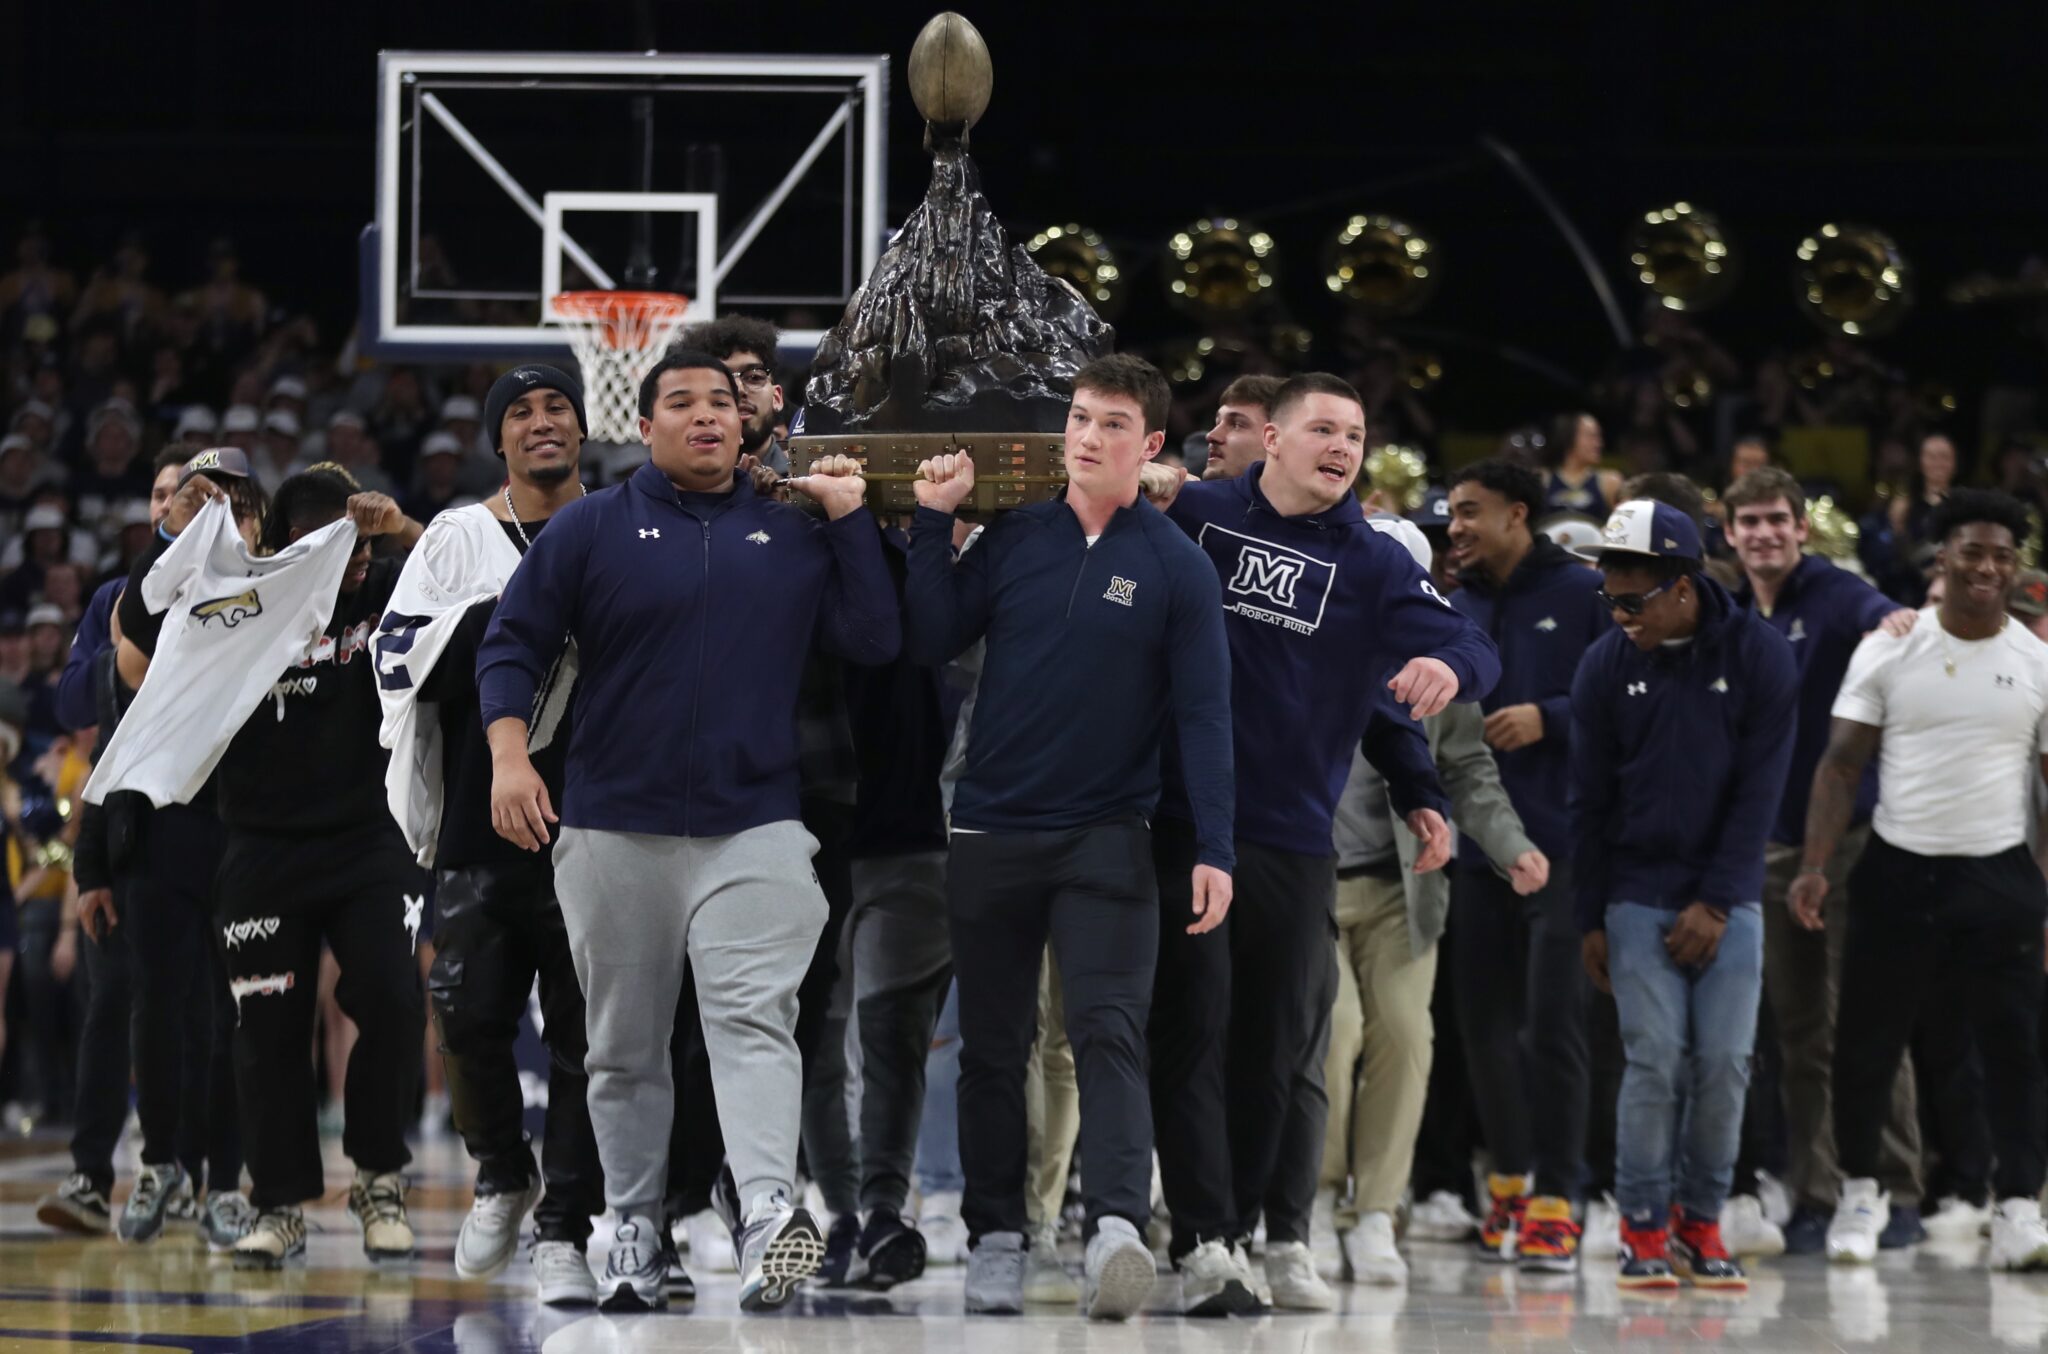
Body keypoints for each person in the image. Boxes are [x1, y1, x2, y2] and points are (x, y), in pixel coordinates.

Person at [476, 350, 898, 1313]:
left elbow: (874, 639)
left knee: (753, 1023)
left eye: (721, 402)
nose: (706, 415)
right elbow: (511, 644)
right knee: (622, 1045)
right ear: (645, 422)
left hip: (755, 826)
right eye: (682, 402)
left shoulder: (792, 529)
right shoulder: (590, 526)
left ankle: (763, 1215)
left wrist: (848, 519)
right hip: (610, 827)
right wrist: (510, 757)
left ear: (743, 425)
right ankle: (631, 1224)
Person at [1149, 372, 1499, 1313]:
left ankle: (1264, 1230)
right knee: (1192, 1031)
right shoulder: (1196, 517)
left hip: (1295, 834)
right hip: (1181, 822)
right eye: (1323, 429)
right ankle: (1202, 1238)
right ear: (1272, 438)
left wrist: (1440, 673)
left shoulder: (1377, 561)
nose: (1342, 446)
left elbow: (1470, 650)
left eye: (1354, 432)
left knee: (1278, 1048)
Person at [903, 353, 1234, 1321]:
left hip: (1107, 838)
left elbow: (1206, 717)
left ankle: (1117, 1231)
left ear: (1152, 445)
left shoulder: (1176, 564)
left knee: (1107, 1035)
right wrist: (932, 524)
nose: (1088, 437)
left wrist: (1212, 845)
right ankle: (997, 1236)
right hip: (989, 827)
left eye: (1111, 423)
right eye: (1080, 418)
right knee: (992, 1046)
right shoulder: (1014, 536)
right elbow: (928, 638)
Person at [96, 467, 429, 1270]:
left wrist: (404, 529)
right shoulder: (235, 598)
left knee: (389, 996)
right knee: (266, 1034)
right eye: (330, 543)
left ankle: (379, 1178)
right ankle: (278, 1204)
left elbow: (471, 579)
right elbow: (136, 647)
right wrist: (173, 538)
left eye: (358, 546)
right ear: (289, 546)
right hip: (259, 848)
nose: (351, 563)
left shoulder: (386, 584)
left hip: (369, 840)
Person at [374, 364, 605, 1306]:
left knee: (591, 1042)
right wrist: (523, 616)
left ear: (583, 430)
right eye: (521, 413)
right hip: (481, 815)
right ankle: (504, 1170)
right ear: (497, 441)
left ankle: (566, 1230)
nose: (542, 423)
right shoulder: (461, 538)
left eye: (557, 408)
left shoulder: (624, 523)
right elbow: (398, 660)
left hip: (602, 819)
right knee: (465, 1015)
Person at [1797, 489, 2048, 1272]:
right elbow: (1840, 766)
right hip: (1898, 869)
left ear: (2015, 566)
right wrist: (1812, 865)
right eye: (1972, 551)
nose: (1987, 566)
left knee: (2012, 1049)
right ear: (1942, 560)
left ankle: (2016, 1207)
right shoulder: (1888, 647)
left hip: (1999, 872)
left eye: (2002, 554)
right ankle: (1861, 1196)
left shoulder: (2037, 661)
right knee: (1867, 1046)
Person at [1572, 498, 1796, 1292]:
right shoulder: (1604, 663)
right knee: (1656, 1060)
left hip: (1727, 896)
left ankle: (1701, 1220)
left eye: (1632, 599)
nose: (1618, 613)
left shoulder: (1763, 657)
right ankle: (1641, 1225)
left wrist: (1719, 900)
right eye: (1608, 597)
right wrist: (1588, 917)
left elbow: (1759, 793)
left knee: (1728, 1063)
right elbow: (1588, 802)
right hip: (1632, 891)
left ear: (1683, 586)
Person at [1322, 514, 1543, 1287]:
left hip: (1401, 890)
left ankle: (1377, 1211)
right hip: (1306, 885)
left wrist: (1510, 845)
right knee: (1333, 1031)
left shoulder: (1438, 672)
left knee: (1408, 1041)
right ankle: (1316, 1201)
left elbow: (1470, 771)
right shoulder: (1304, 647)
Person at [1723, 467, 1926, 1257]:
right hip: (1765, 845)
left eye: (1778, 520)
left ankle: (1899, 1189)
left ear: (1802, 528)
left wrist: (1902, 619)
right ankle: (1816, 1190)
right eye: (1750, 523)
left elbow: (1889, 618)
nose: (1766, 534)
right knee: (1798, 1031)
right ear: (1731, 534)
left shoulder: (1837, 594)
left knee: (1864, 1023)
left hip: (1850, 844)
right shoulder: (1732, 610)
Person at [1441, 458, 1611, 1271]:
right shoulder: (1456, 604)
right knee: (1483, 1029)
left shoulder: (1583, 595)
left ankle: (1560, 1196)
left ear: (1518, 514)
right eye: (1450, 514)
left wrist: (1551, 717)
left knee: (1554, 1027)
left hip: (1564, 848)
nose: (1456, 526)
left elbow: (1631, 697)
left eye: (1471, 512)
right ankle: (1507, 1180)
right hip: (1476, 852)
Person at [1200, 374, 1283, 481]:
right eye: (1217, 423)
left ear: (1273, 439)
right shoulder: (1181, 493)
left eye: (1237, 425)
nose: (1211, 436)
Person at [1541, 411, 1621, 519]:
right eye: (1592, 436)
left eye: (1598, 437)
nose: (1599, 443)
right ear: (1568, 437)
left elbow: (1624, 524)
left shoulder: (1609, 482)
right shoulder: (1542, 480)